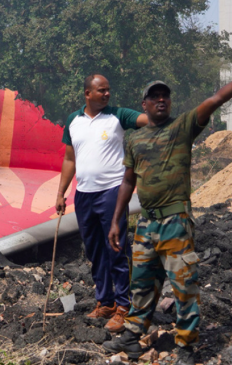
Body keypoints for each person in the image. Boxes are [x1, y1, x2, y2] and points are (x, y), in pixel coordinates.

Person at [102, 48, 232, 365]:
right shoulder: (135, 140)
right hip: (146, 223)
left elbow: (216, 98)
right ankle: (132, 335)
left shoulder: (183, 127)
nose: (160, 101)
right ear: (144, 104)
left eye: (164, 96)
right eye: (154, 97)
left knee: (184, 286)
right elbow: (128, 181)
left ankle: (186, 346)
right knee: (141, 282)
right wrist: (116, 221)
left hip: (175, 222)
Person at [56, 73, 149, 333]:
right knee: (95, 250)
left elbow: (144, 119)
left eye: (108, 90)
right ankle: (104, 302)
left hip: (112, 192)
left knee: (116, 248)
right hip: (84, 194)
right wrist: (61, 193)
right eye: (101, 90)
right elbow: (69, 159)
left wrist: (157, 113)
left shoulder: (118, 115)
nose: (107, 94)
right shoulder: (73, 121)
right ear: (88, 94)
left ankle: (123, 306)